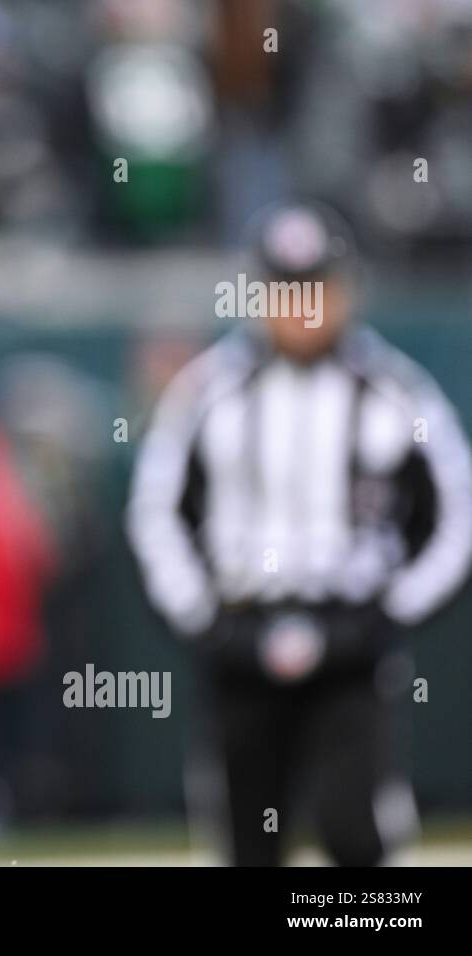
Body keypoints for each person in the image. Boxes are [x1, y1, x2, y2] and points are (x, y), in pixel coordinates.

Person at [126, 201, 472, 865]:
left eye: (317, 289)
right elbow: (156, 514)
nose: (302, 310)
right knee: (245, 841)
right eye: (287, 291)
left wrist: (390, 611)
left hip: (351, 651)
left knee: (357, 834)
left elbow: (453, 515)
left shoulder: (396, 392)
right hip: (240, 640)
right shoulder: (206, 393)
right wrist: (201, 618)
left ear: (346, 291)